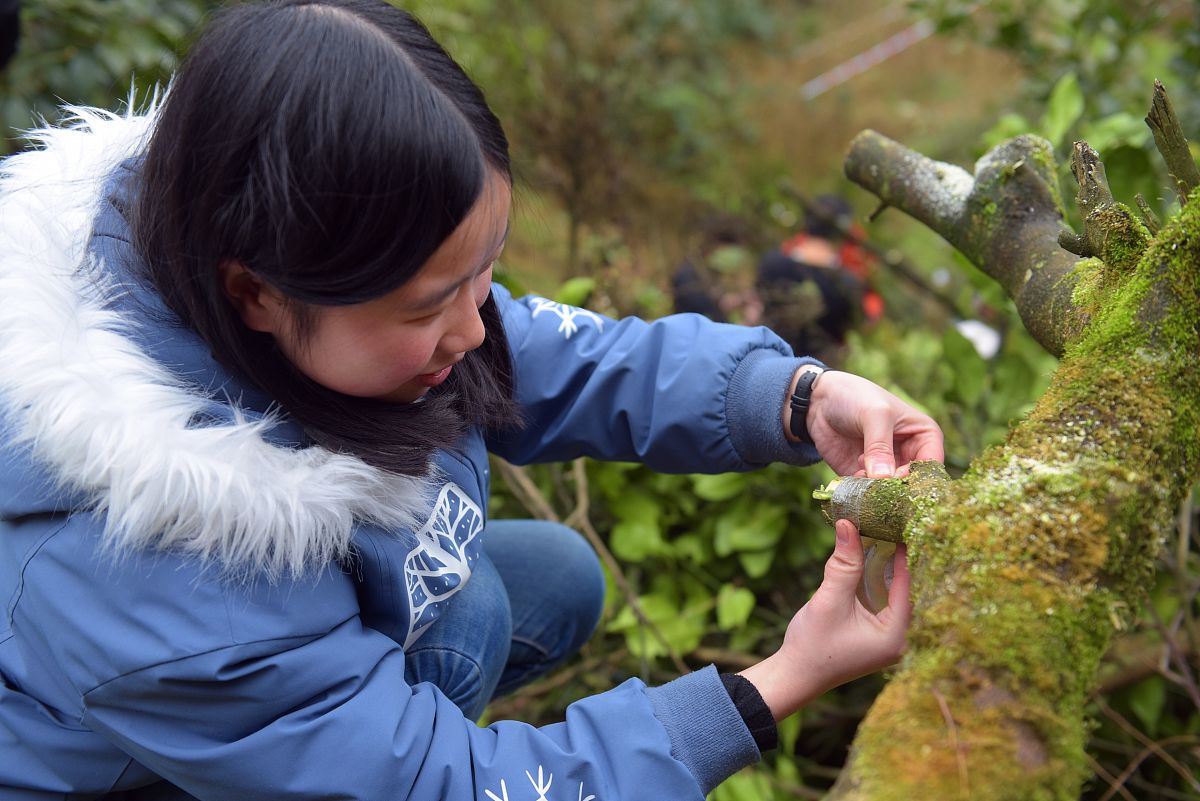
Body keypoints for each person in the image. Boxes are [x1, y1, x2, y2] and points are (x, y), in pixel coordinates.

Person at [0, 1, 944, 798]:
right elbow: (446, 788)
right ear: (254, 289)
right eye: (427, 303)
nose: (473, 329)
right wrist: (775, 682)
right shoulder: (156, 570)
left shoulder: (269, 272)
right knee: (467, 620)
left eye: (481, 277)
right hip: (130, 761)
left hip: (245, 672)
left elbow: (544, 351)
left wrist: (793, 395)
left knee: (539, 581)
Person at [758, 194, 882, 361]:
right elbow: (863, 325)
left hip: (762, 360)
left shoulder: (772, 262)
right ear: (842, 232)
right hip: (815, 377)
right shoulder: (847, 284)